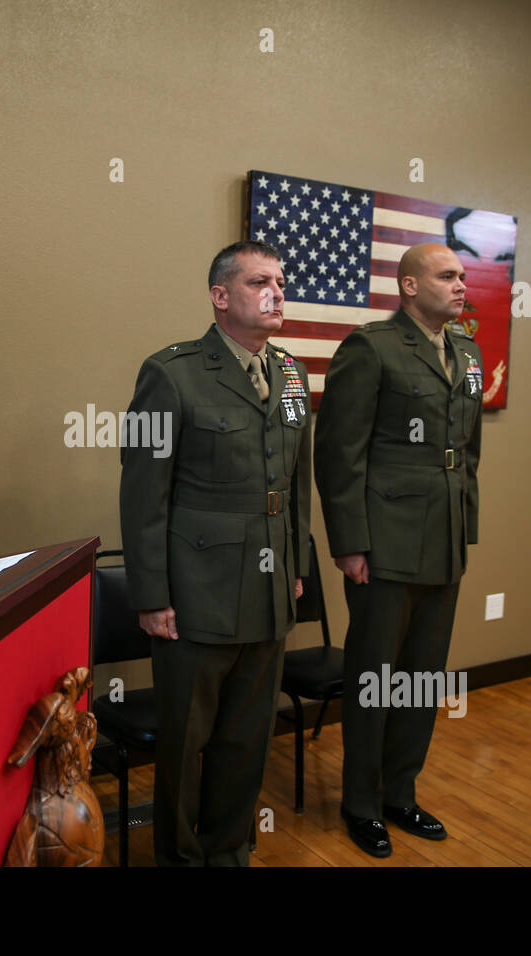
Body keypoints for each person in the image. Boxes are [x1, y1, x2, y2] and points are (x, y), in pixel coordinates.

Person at [119, 239, 311, 866]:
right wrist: (151, 597)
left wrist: (297, 570)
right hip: (196, 594)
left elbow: (295, 482)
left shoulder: (290, 373)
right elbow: (144, 495)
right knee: (186, 743)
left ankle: (229, 852)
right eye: (260, 282)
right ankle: (178, 858)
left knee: (248, 740)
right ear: (221, 296)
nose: (276, 292)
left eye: (280, 281)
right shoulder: (171, 373)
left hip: (268, 589)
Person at [313, 242, 482, 857]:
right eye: (447, 275)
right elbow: (339, 454)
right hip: (383, 545)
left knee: (421, 679)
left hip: (442, 542)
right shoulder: (373, 347)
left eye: (463, 275)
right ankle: (360, 804)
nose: (462, 284)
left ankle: (400, 794)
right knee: (376, 680)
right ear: (409, 285)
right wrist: (349, 544)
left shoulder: (465, 350)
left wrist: (465, 524)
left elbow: (467, 449)